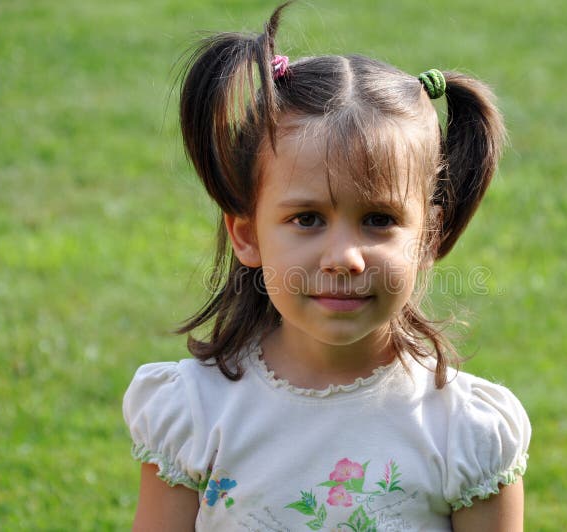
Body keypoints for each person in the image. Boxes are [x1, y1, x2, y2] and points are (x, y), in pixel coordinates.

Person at [123, 3, 530, 530]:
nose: (344, 257)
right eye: (308, 218)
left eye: (379, 219)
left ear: (429, 236)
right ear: (247, 235)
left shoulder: (464, 432)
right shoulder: (196, 413)